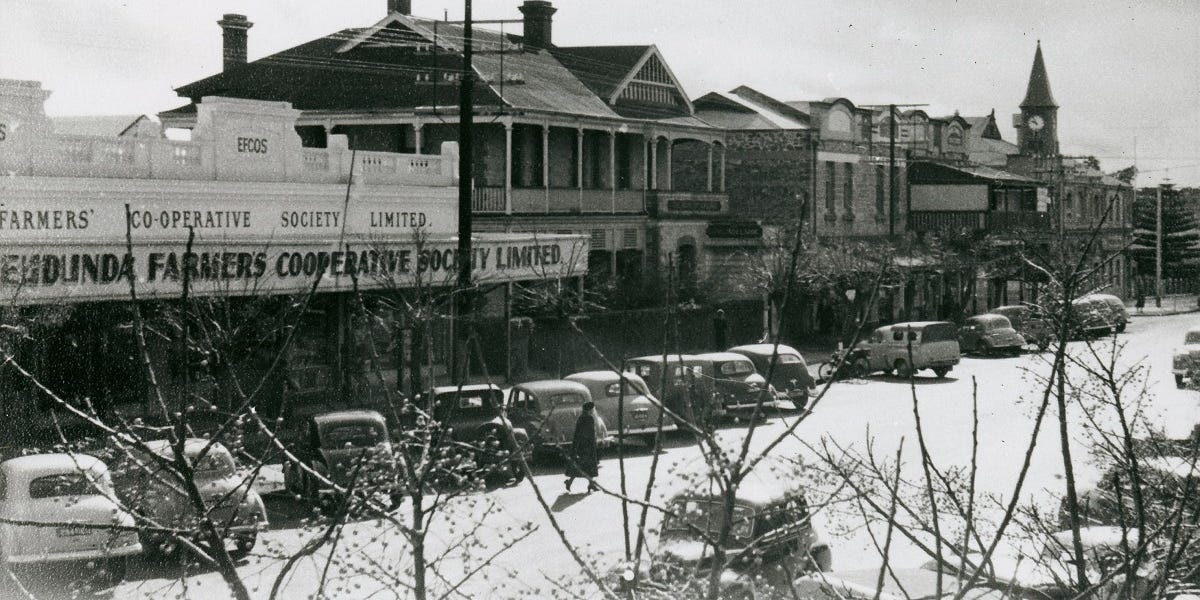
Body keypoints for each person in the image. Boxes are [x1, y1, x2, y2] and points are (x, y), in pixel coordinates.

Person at [565, 402, 605, 493]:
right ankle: (590, 485)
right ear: (590, 410)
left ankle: (589, 484)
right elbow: (590, 433)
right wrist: (595, 442)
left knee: (581, 466)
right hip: (588, 446)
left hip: (580, 446)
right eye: (593, 409)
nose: (593, 411)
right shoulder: (589, 418)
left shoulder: (581, 417)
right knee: (589, 466)